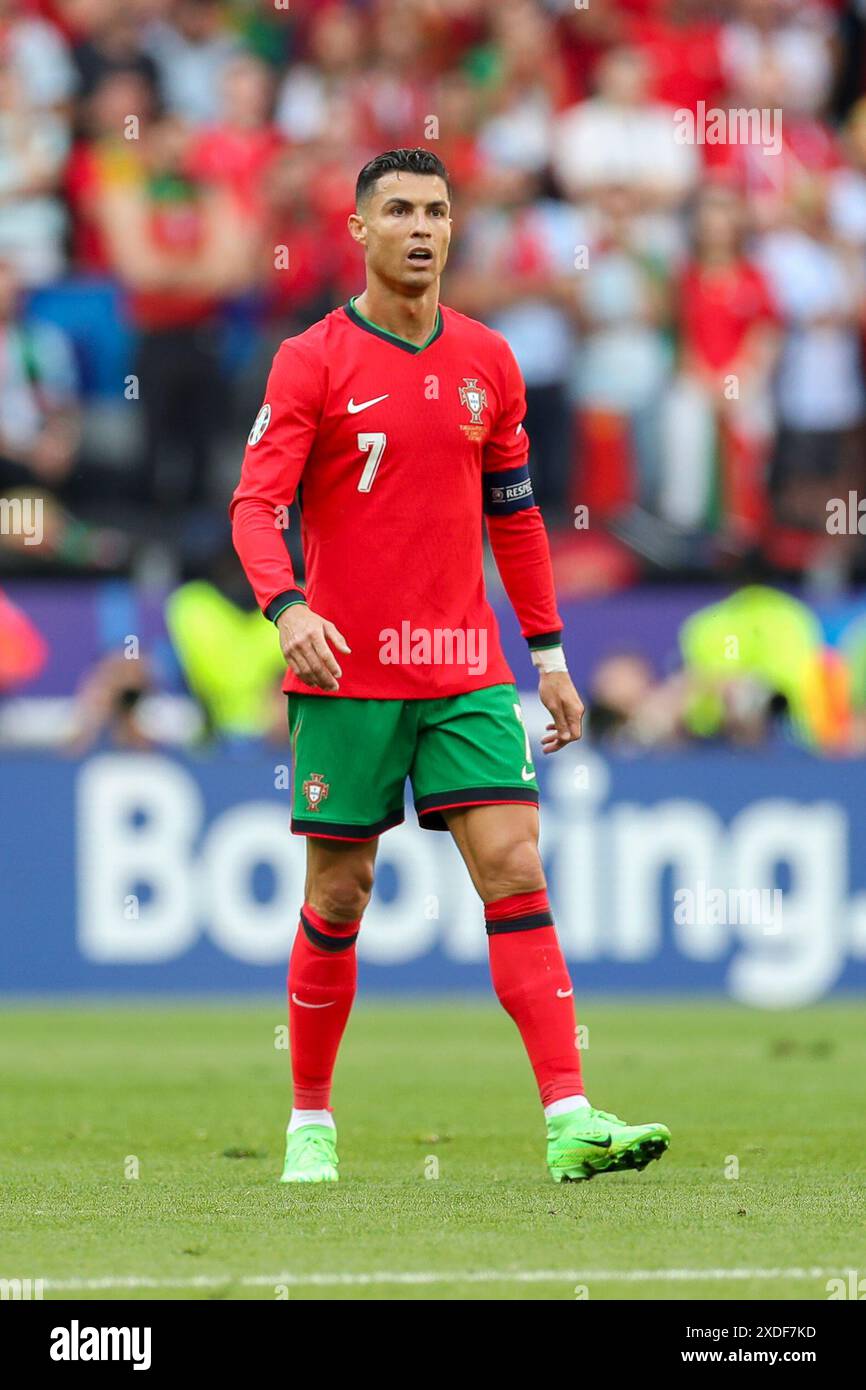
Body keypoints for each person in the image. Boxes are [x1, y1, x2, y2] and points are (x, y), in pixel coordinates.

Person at [230, 147, 671, 1185]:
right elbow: (256, 504)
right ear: (359, 230)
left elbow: (513, 516)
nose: (420, 227)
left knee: (515, 863)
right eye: (398, 210)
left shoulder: (489, 361)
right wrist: (286, 607)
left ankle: (568, 1118)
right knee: (340, 893)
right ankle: (309, 1122)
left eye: (435, 209)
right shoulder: (311, 359)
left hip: (464, 666)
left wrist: (548, 653)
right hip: (345, 671)